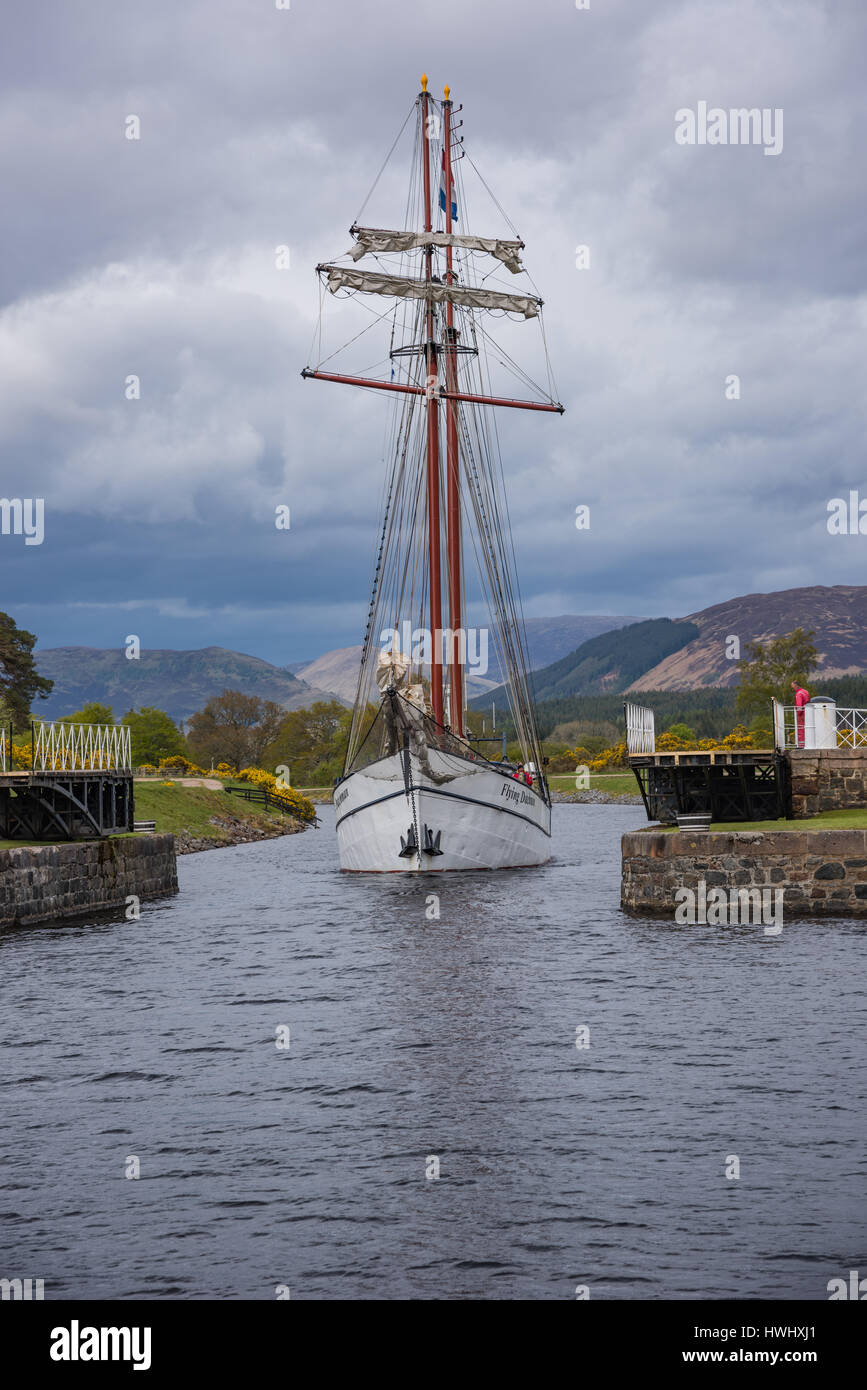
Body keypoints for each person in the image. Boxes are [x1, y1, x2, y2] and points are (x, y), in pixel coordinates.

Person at [792, 679, 810, 748]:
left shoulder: (799, 693)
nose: (793, 688)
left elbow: (799, 705)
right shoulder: (806, 691)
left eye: (793, 687)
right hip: (808, 712)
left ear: (796, 686)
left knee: (801, 729)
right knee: (807, 728)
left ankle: (801, 745)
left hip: (802, 714)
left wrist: (798, 713)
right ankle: (808, 743)